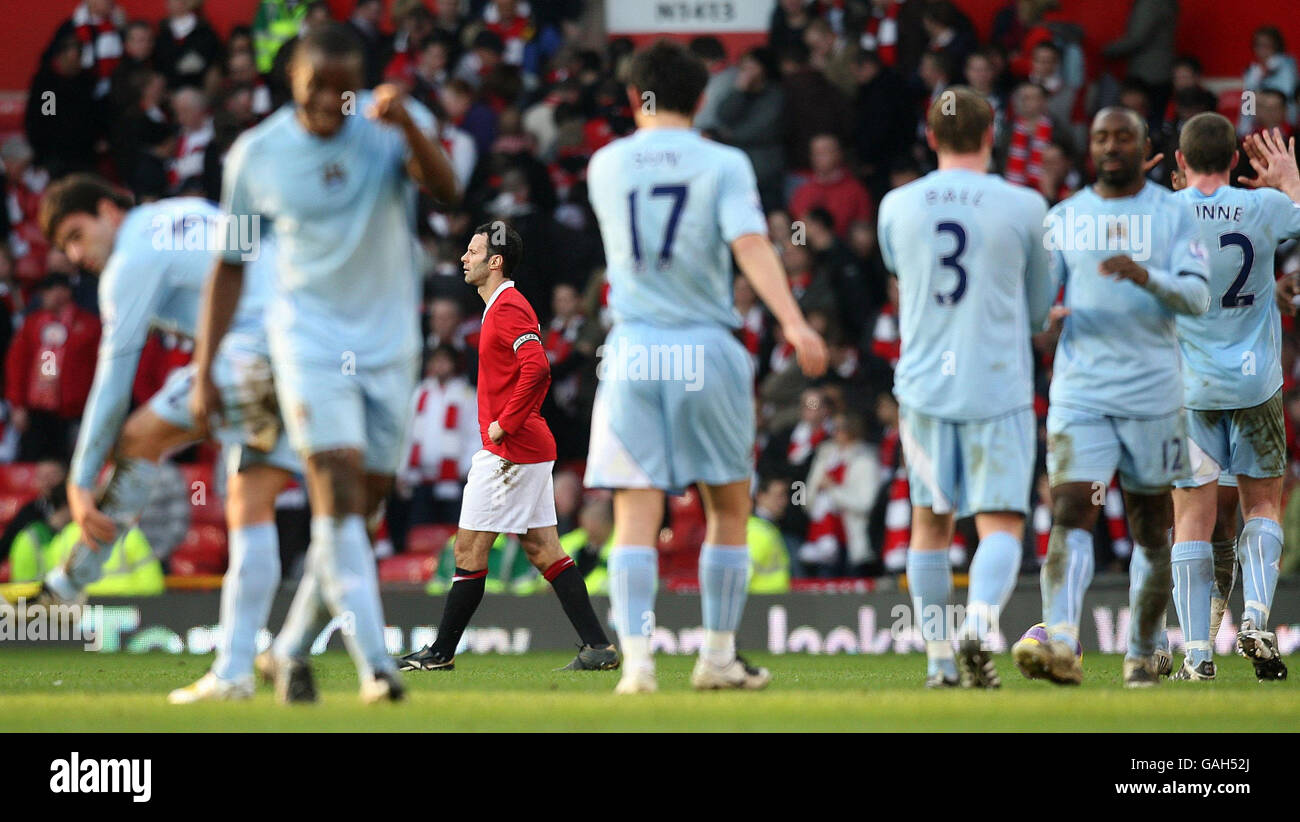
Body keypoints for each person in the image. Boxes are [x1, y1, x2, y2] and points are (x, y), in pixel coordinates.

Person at [192, 23, 459, 704]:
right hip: (307, 340)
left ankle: (286, 650)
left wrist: (407, 128)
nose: (330, 102)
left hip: (391, 343)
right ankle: (378, 667)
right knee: (334, 497)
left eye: (344, 87)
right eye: (318, 88)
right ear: (293, 82)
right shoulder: (258, 156)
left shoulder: (387, 125)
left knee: (358, 514)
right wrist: (204, 369)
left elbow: (448, 191)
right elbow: (230, 265)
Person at [584, 40, 827, 694]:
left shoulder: (604, 165)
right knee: (728, 507)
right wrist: (795, 323)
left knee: (635, 513)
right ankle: (717, 655)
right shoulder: (724, 162)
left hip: (632, 348)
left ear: (635, 98)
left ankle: (636, 664)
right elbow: (749, 243)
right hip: (704, 347)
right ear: (701, 100)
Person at [29, 174, 299, 705]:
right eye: (65, 249)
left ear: (107, 209)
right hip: (305, 338)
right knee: (255, 504)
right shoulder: (183, 209)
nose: (76, 255)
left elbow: (113, 380)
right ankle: (253, 664)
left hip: (252, 349)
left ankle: (73, 581)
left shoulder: (130, 260)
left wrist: (80, 484)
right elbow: (251, 244)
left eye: (77, 235)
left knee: (136, 440)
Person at [1013, 107, 1211, 688]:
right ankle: (1064, 642)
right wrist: (1043, 321)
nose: (1112, 145)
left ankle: (1144, 648)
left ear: (1143, 143)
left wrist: (1147, 277)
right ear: (1090, 146)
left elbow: (1199, 298)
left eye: (1124, 135)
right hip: (1081, 394)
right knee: (1072, 510)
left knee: (1152, 530)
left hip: (1154, 396)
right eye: (1101, 136)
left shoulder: (1173, 214)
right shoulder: (1065, 218)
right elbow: (1038, 306)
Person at [877, 86, 1054, 688]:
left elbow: (902, 280)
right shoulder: (1027, 206)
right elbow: (1036, 315)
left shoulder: (896, 206)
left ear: (930, 137)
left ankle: (939, 663)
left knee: (930, 522)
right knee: (1001, 522)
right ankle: (980, 622)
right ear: (991, 133)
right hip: (997, 382)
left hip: (925, 385)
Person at [397, 225, 617, 674]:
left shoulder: (508, 305)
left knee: (469, 550)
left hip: (510, 451)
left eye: (473, 251)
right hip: (524, 448)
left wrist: (505, 424)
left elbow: (537, 368)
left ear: (494, 262)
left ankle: (440, 653)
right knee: (543, 550)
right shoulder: (499, 307)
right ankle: (598, 647)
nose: (463, 257)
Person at [1166, 119, 1300, 682]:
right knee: (1263, 505)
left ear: (1180, 158)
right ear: (1234, 159)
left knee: (1192, 519)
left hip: (1192, 392)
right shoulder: (1265, 207)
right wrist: (1290, 180)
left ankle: (1197, 655)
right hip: (1256, 386)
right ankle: (1256, 619)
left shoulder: (1164, 216)